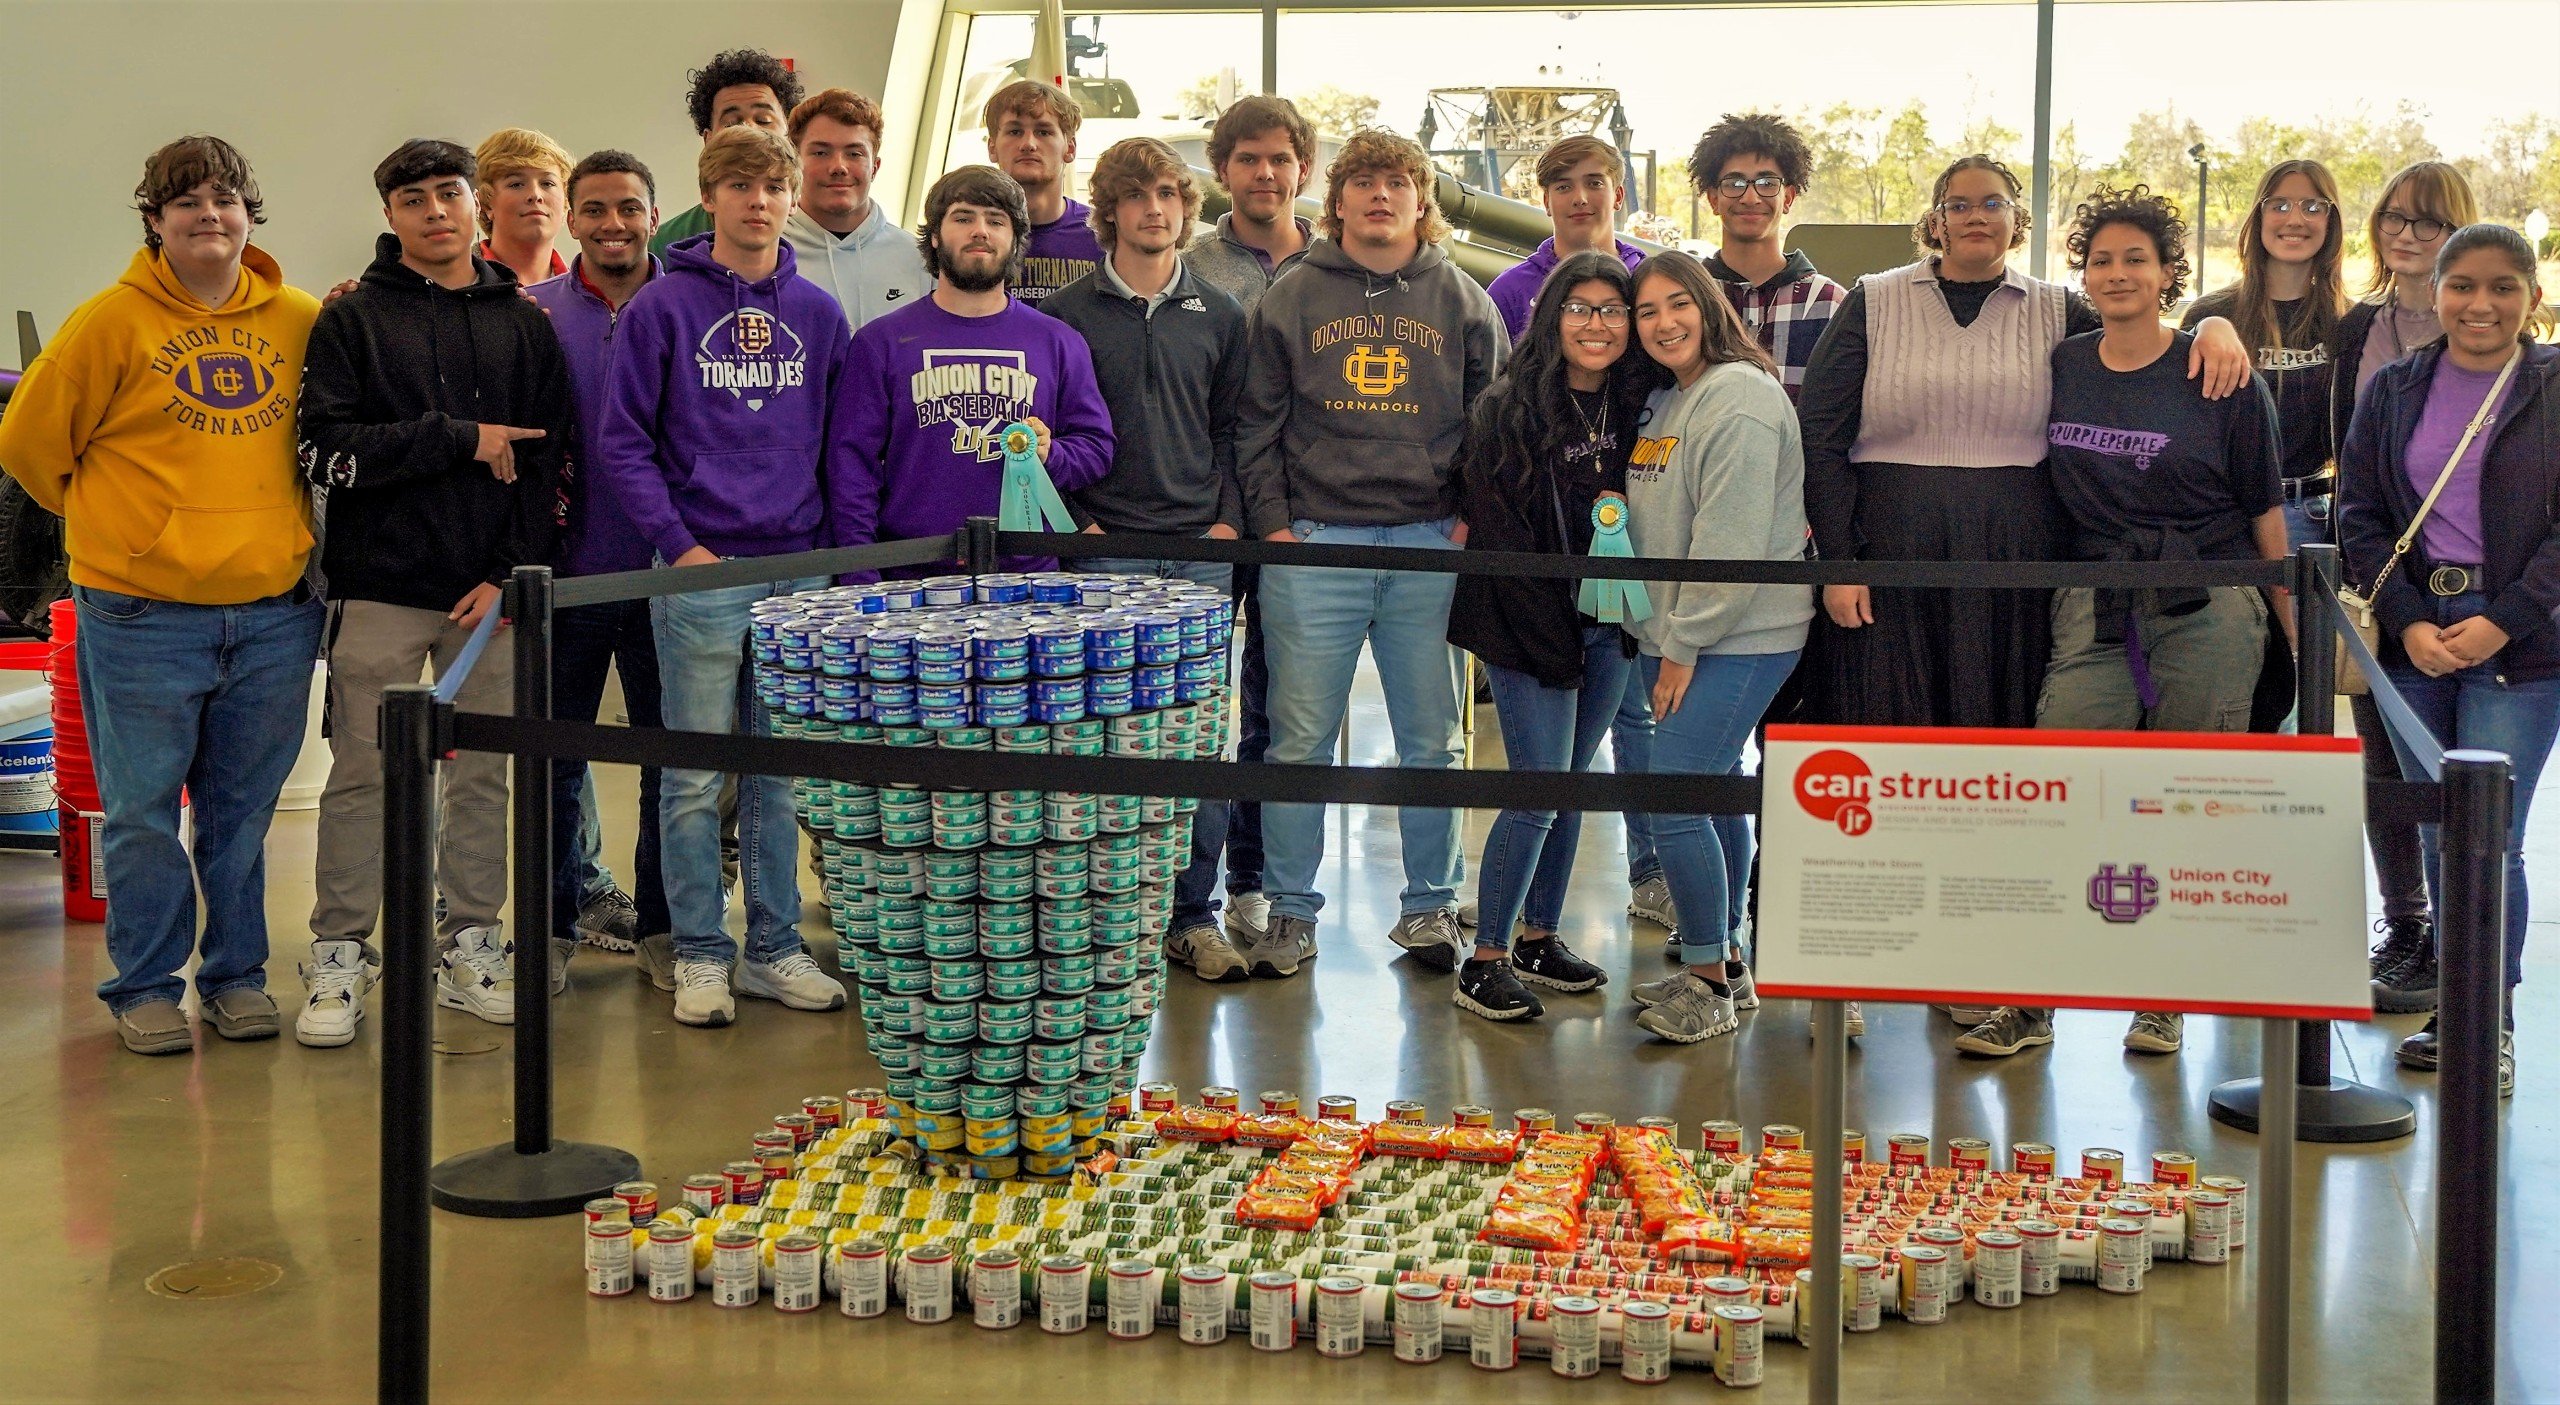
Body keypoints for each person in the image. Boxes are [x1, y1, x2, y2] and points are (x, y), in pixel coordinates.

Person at [0, 136, 323, 1056]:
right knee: (142, 813)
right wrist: (117, 525)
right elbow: (26, 445)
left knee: (241, 816)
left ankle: (235, 977)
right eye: (185, 203)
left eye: (224, 199)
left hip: (271, 612)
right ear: (155, 221)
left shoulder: (297, 318)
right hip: (141, 615)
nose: (208, 216)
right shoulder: (109, 321)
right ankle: (142, 983)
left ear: (249, 214)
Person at [1957, 186, 2286, 1061]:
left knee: (2185, 805)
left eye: (2137, 258)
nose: (2118, 273)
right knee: (2062, 796)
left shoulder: (2216, 372)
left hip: (2209, 602)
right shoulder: (2063, 364)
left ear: (2171, 272)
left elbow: (2264, 510)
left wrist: (2288, 625)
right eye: (2102, 259)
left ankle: (2163, 995)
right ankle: (2031, 1001)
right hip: (2095, 605)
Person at [1797, 154, 2249, 732]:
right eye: (1958, 205)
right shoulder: (1873, 300)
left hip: (2018, 547)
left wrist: (2212, 327)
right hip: (1889, 544)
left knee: (2004, 716)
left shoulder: (2058, 308)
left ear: (2018, 221)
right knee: (1889, 713)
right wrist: (1839, 561)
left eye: (1993, 204)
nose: (1975, 217)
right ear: (1936, 222)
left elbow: (2140, 345)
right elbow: (1820, 435)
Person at [295, 138, 572, 1048]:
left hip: (486, 592)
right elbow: (326, 449)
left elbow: (548, 460)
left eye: (448, 193)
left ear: (474, 203)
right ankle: (339, 953)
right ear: (391, 215)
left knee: (487, 777)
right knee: (366, 773)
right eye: (412, 199)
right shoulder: (351, 320)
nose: (435, 211)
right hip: (379, 588)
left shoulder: (523, 322)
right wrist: (456, 436)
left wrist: (510, 572)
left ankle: (472, 944)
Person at [597, 125, 856, 1029]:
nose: (758, 201)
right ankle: (701, 952)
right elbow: (624, 444)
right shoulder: (662, 309)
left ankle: (774, 948)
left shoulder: (821, 314)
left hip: (797, 573)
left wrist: (825, 559)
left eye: (772, 186)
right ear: (708, 198)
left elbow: (839, 446)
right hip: (701, 570)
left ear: (791, 199)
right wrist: (681, 544)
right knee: (696, 776)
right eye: (739, 185)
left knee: (781, 773)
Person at [1234, 129, 1506, 977]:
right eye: (1364, 183)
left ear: (1421, 199)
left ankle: (1429, 908)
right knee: (1298, 740)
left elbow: (1489, 420)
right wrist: (1278, 529)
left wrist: (1463, 520)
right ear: (1338, 200)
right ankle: (1290, 910)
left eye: (1398, 182)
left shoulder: (1463, 298)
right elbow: (1256, 424)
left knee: (1433, 741)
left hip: (1427, 544)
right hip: (1318, 544)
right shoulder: (1289, 298)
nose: (1381, 196)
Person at [2338, 222, 2558, 1097]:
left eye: (2503, 287)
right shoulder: (2395, 387)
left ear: (2532, 297)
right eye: (2463, 285)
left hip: (2522, 645)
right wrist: (2405, 619)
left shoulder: (2552, 385)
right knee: (2437, 833)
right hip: (2417, 637)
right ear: (2435, 293)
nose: (2481, 303)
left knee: (2491, 841)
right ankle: (2452, 1010)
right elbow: (2358, 511)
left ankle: (2486, 1025)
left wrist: (2502, 620)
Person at [1044, 137, 1251, 982]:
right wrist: (1081, 529)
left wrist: (1228, 528)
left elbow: (1237, 432)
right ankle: (1107, 917)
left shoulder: (1224, 316)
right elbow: (1046, 445)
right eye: (1136, 195)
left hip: (1199, 557)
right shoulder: (1064, 318)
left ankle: (1192, 916)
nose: (1154, 208)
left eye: (1168, 192)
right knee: (1100, 744)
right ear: (1111, 209)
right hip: (1104, 560)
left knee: (1202, 745)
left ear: (1185, 207)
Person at [1446, 252, 1652, 1020]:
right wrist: (1551, 642)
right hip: (1526, 623)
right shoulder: (1510, 408)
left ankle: (1539, 936)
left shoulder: (1639, 406)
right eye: (1580, 308)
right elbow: (1499, 540)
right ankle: (1486, 957)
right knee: (1536, 790)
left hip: (1607, 623)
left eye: (1612, 310)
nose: (1596, 325)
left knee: (1570, 787)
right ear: (1552, 315)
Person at [1617, 251, 1812, 1044]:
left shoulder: (1738, 398)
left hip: (1738, 633)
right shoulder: (1673, 399)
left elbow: (1729, 540)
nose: (1662, 322)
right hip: (1691, 631)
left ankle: (1706, 986)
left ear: (1707, 307)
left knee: (1675, 796)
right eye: (1645, 311)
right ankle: (1727, 959)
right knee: (1714, 783)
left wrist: (1684, 642)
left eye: (1676, 305)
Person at [2336, 160, 2481, 1014]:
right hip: (2375, 567)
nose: (2407, 236)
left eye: (2428, 223)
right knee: (2382, 753)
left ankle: (2461, 943)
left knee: (2455, 766)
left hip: (2465, 583)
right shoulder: (2362, 327)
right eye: (2394, 217)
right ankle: (2408, 923)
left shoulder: (2482, 321)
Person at [524, 150, 669, 982]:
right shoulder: (532, 313)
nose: (613, 223)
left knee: (665, 762)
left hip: (665, 580)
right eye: (596, 209)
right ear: (570, 219)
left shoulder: (685, 308)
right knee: (552, 763)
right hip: (566, 579)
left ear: (655, 214)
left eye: (629, 207)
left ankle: (660, 931)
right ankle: (546, 930)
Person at [1185, 95, 1320, 960]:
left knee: (1277, 706)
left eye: (1280, 159)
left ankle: (1257, 884)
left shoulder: (1338, 266)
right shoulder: (1193, 266)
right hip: (1208, 520)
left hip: (1301, 521)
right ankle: (1186, 899)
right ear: (1222, 170)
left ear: (1301, 169)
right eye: (1248, 159)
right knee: (1206, 710)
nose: (1265, 174)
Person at [832, 165, 1114, 577]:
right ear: (934, 236)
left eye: (996, 221)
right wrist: (860, 575)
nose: (980, 231)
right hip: (910, 577)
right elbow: (851, 471)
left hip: (1028, 578)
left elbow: (1097, 448)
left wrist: (1049, 453)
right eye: (963, 218)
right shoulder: (880, 343)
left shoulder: (1058, 342)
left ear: (1016, 241)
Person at [2180, 160, 2346, 552]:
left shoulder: (2346, 322)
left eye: (2312, 206)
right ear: (2259, 217)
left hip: (2310, 514)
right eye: (2280, 205)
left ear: (2330, 221)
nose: (2296, 219)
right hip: (2222, 516)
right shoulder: (2210, 315)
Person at [1691, 113, 1847, 404]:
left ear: (1787, 198)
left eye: (1766, 182)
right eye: (1734, 184)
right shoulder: (1688, 296)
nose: (1750, 198)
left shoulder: (1829, 304)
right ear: (1713, 199)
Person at [783, 87, 931, 331]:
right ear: (794, 164)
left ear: (875, 168)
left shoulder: (918, 259)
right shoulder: (769, 254)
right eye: (820, 152)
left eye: (854, 153)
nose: (838, 167)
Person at [1485, 136, 1647, 341]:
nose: (1580, 199)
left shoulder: (1648, 283)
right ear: (1546, 202)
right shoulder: (1510, 292)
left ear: (1618, 196)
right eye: (1564, 187)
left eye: (1594, 183)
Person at [651, 48, 803, 254]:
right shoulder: (665, 245)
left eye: (763, 120)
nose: (749, 128)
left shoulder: (814, 237)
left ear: (790, 134)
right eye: (732, 123)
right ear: (709, 140)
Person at [982, 79, 1101, 304]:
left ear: (1070, 148)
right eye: (1015, 131)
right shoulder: (970, 237)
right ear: (992, 147)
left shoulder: (1103, 236)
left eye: (1043, 132)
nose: (1029, 144)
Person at [473, 127, 571, 289]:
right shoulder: (451, 287)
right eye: (516, 184)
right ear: (486, 203)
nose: (535, 195)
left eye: (547, 183)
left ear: (566, 201)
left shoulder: (587, 294)